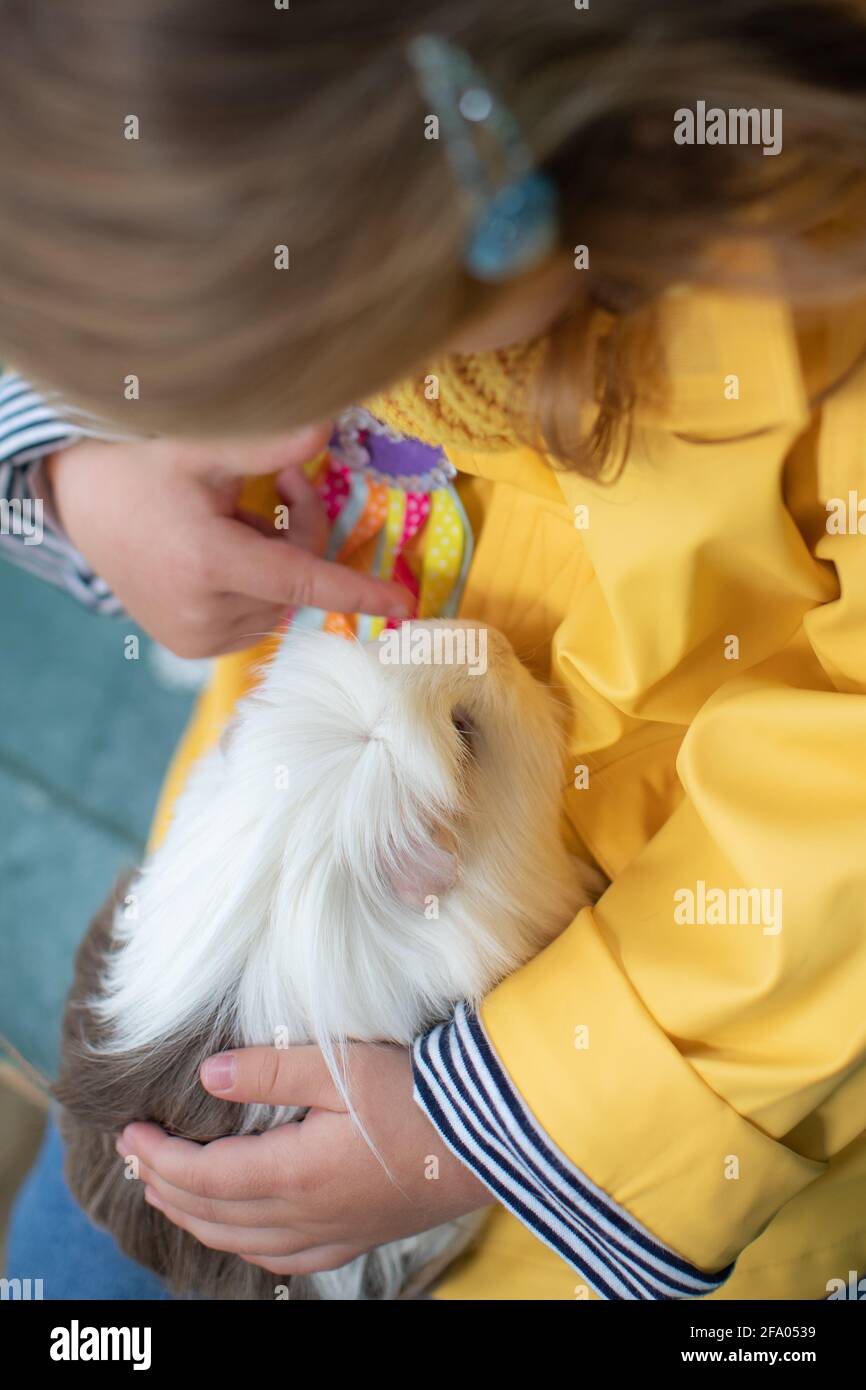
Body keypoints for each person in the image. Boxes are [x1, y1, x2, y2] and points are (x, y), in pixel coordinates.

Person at [4, 0, 866, 1300]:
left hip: (656, 1091)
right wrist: (87, 465)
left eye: (319, 377)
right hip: (284, 982)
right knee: (72, 1288)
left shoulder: (817, 287)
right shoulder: (261, 133)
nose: (287, 430)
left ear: (495, 222)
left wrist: (510, 1115)